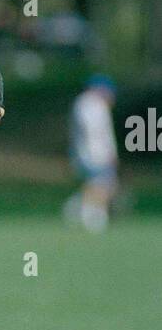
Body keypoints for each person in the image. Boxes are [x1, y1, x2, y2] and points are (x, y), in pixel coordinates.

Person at [64, 75, 119, 232]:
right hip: (93, 152)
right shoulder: (89, 104)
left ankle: (83, 210)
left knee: (100, 184)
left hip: (94, 151)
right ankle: (89, 214)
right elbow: (95, 131)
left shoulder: (94, 104)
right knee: (99, 183)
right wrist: (105, 152)